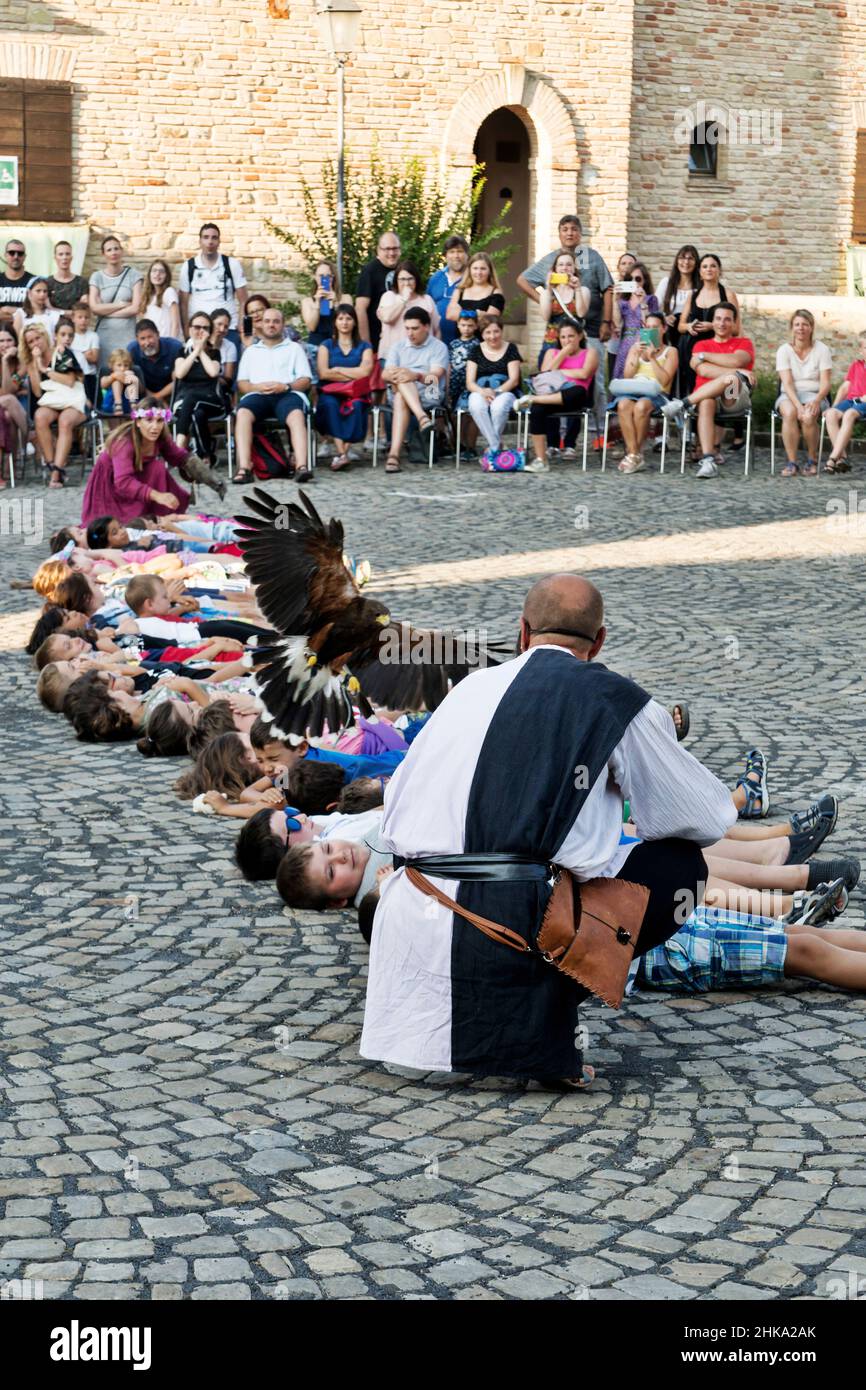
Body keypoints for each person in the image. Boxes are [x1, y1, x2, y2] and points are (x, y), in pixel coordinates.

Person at [359, 574, 737, 1086]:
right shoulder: (615, 700)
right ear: (599, 642)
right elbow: (702, 818)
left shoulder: (468, 690)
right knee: (679, 865)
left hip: (411, 911)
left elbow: (397, 805)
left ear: (522, 631)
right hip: (516, 922)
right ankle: (539, 1014)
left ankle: (469, 1023)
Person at [517, 215, 614, 433]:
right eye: (565, 229)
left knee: (595, 382)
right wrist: (546, 299)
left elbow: (608, 288)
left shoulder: (592, 257)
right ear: (559, 233)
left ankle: (597, 429)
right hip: (555, 335)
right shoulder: (551, 260)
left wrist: (607, 321)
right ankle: (558, 433)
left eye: (574, 229)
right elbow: (523, 280)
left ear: (580, 233)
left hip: (589, 329)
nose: (570, 233)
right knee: (553, 379)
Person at [663, 303, 755, 478]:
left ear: (734, 323)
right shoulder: (701, 345)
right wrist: (738, 371)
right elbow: (703, 371)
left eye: (727, 319)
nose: (722, 323)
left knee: (732, 379)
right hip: (705, 397)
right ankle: (708, 461)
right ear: (712, 321)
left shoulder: (744, 343)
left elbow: (737, 360)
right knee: (707, 401)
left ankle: (683, 403)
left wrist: (705, 357)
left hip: (733, 397)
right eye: (718, 319)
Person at [232, 307, 311, 485]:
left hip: (287, 393)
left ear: (283, 325)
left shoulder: (294, 348)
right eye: (267, 321)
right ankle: (245, 468)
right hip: (258, 394)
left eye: (276, 321)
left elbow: (305, 380)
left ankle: (301, 466)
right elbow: (242, 383)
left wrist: (286, 386)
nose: (271, 325)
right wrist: (256, 387)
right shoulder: (251, 351)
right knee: (242, 413)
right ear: (260, 324)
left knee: (296, 415)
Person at [81, 397, 190, 525]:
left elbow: (177, 455)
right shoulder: (124, 442)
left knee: (157, 467)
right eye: (149, 420)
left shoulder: (160, 436)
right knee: (116, 529)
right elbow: (123, 482)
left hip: (136, 477)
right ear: (138, 422)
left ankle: (157, 518)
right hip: (111, 487)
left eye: (159, 420)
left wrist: (200, 470)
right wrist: (157, 495)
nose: (155, 426)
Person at [517, 320, 599, 472]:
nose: (567, 340)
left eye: (571, 336)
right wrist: (563, 353)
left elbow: (584, 374)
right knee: (537, 409)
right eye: (563, 337)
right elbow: (545, 373)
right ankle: (541, 460)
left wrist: (560, 371)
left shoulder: (590, 353)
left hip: (575, 399)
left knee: (578, 390)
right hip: (551, 396)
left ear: (580, 336)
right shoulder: (552, 353)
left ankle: (532, 399)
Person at [381, 306, 449, 474]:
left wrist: (415, 375)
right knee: (402, 388)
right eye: (407, 328)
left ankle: (394, 455)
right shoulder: (398, 346)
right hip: (402, 391)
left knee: (402, 390)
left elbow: (435, 377)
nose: (410, 333)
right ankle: (422, 418)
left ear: (426, 327)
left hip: (430, 391)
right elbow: (384, 374)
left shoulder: (439, 347)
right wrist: (402, 375)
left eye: (415, 328)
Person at [609, 312, 677, 473]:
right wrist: (636, 354)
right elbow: (627, 376)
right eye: (648, 327)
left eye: (655, 327)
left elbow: (665, 381)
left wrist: (652, 358)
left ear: (664, 329)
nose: (650, 331)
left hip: (656, 393)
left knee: (641, 406)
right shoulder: (635, 348)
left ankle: (633, 454)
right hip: (634, 389)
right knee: (623, 405)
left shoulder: (671, 351)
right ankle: (635, 455)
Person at [25, 318, 87, 489]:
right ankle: (52, 464)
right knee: (40, 416)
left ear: (45, 336)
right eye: (30, 342)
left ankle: (56, 474)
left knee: (65, 421)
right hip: (54, 401)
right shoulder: (32, 362)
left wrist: (45, 370)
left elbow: (70, 381)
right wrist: (36, 365)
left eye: (37, 338)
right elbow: (38, 393)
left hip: (73, 399)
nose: (35, 343)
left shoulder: (61, 352)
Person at [314, 304, 375, 471]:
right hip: (330, 391)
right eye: (340, 318)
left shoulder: (365, 346)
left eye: (348, 318)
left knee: (357, 405)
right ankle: (343, 454)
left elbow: (365, 372)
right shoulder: (326, 345)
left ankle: (341, 455)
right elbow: (323, 373)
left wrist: (338, 369)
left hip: (356, 392)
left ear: (355, 322)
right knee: (330, 405)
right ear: (335, 322)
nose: (344, 322)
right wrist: (353, 373)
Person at [677, 253, 741, 405]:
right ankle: (690, 418)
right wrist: (689, 326)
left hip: (718, 350)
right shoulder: (693, 296)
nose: (709, 269)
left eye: (713, 266)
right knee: (692, 387)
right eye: (705, 266)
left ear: (719, 270)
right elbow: (680, 326)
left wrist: (712, 326)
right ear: (700, 272)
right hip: (691, 349)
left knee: (715, 390)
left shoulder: (728, 295)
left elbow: (736, 329)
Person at [774, 310, 832, 477]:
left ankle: (812, 460)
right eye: (797, 324)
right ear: (792, 328)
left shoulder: (822, 349)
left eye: (805, 324)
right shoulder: (783, 351)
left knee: (808, 416)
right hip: (789, 395)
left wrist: (817, 401)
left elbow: (826, 383)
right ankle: (792, 462)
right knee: (790, 412)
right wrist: (798, 405)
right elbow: (787, 383)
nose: (801, 328)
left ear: (811, 327)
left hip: (815, 394)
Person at [177, 222, 248, 344]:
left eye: (214, 238)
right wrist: (186, 331)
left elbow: (244, 300)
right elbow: (183, 303)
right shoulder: (189, 266)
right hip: (199, 327)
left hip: (227, 329)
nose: (210, 241)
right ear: (200, 241)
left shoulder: (231, 264)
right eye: (206, 237)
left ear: (219, 241)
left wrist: (241, 326)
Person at [465, 314, 522, 456]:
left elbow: (514, 379)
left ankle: (493, 448)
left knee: (498, 407)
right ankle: (496, 445)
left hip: (506, 391)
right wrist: (483, 392)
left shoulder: (511, 348)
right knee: (476, 405)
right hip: (480, 390)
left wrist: (496, 392)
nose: (492, 336)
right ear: (482, 334)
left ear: (501, 331)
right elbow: (470, 382)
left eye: (496, 331)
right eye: (488, 332)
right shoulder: (475, 350)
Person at [172, 310, 225, 460]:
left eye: (205, 328)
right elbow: (180, 373)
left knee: (192, 397)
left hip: (211, 401)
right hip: (185, 404)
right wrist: (195, 351)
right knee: (197, 414)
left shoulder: (214, 353)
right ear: (190, 330)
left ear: (210, 332)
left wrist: (201, 350)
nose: (201, 331)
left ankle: (178, 446)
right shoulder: (182, 352)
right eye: (197, 327)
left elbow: (213, 372)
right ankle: (206, 456)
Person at [89, 235, 144, 369]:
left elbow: (135, 308)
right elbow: (94, 307)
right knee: (105, 374)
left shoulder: (133, 275)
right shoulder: (97, 277)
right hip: (104, 337)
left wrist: (105, 310)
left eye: (116, 248)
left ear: (121, 251)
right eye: (109, 250)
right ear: (103, 254)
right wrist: (121, 305)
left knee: (128, 373)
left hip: (127, 335)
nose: (113, 252)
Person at [376, 260, 440, 358]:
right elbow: (387, 318)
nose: (406, 283)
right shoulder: (388, 296)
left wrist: (437, 353)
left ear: (416, 280)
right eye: (402, 279)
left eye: (410, 279)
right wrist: (404, 299)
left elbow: (436, 330)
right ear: (396, 281)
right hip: (392, 357)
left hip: (422, 357)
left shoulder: (427, 300)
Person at [823, 331, 866, 474]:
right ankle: (842, 458)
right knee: (831, 414)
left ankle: (833, 458)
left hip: (864, 403)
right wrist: (834, 407)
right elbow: (845, 387)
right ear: (860, 350)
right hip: (851, 401)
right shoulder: (856, 365)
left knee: (849, 414)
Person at [537, 250, 591, 363]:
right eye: (560, 265)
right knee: (549, 373)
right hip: (552, 342)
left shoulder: (583, 290)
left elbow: (581, 313)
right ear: (555, 269)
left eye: (569, 264)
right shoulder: (547, 293)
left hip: (574, 344)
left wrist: (577, 289)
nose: (565, 268)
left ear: (574, 269)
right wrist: (548, 288)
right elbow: (545, 317)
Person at [354, 231, 401, 357]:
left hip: (402, 341)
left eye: (395, 248)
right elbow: (360, 308)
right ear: (378, 250)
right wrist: (366, 345)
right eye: (387, 249)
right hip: (377, 343)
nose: (391, 253)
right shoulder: (370, 271)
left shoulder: (404, 269)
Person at [300, 260, 349, 377]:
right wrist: (317, 304)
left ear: (333, 278)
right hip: (316, 347)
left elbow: (348, 323)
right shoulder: (308, 301)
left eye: (328, 276)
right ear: (315, 277)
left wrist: (336, 303)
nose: (325, 279)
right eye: (321, 276)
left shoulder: (345, 298)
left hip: (339, 347)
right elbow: (312, 327)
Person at [611, 262, 659, 378]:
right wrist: (615, 300)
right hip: (625, 345)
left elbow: (650, 326)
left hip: (643, 344)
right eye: (630, 279)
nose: (634, 282)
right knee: (622, 378)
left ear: (644, 281)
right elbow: (617, 323)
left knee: (640, 377)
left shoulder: (651, 299)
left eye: (637, 279)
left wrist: (643, 302)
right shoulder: (623, 301)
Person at [656, 244, 699, 362]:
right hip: (669, 335)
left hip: (690, 334)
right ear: (676, 261)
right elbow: (654, 307)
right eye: (682, 258)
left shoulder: (700, 286)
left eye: (690, 258)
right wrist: (664, 317)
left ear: (696, 263)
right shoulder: (666, 282)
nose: (686, 262)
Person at [448, 308, 481, 453]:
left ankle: (470, 446)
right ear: (458, 325)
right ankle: (457, 444)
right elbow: (449, 365)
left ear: (476, 326)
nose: (466, 328)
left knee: (469, 415)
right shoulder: (453, 344)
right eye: (463, 325)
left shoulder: (478, 344)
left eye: (470, 325)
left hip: (469, 385)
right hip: (454, 384)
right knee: (454, 416)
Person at [426, 236, 469, 346]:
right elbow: (427, 307)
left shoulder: (472, 279)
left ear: (467, 255)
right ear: (445, 255)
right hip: (437, 342)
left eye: (460, 251)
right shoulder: (436, 278)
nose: (456, 256)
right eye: (452, 252)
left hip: (465, 343)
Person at [127, 319, 183, 402]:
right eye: (142, 339)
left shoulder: (175, 347)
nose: (147, 342)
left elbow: (179, 380)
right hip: (144, 394)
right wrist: (151, 398)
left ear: (158, 335)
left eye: (150, 337)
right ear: (137, 339)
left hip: (171, 393)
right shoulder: (132, 350)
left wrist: (157, 397)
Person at [0, 325, 28, 477]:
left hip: (8, 407)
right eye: (1, 341)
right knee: (10, 399)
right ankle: (28, 435)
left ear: (15, 343)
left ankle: (8, 467)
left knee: (9, 416)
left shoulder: (21, 364)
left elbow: (8, 389)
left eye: (9, 340)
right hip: (10, 402)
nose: (5, 345)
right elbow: (8, 392)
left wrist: (5, 362)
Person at [445, 252, 505, 322]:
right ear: (469, 270)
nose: (478, 272)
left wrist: (461, 313)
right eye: (475, 268)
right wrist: (477, 314)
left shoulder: (495, 293)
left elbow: (490, 321)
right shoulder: (459, 291)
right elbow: (450, 315)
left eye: (483, 269)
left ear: (490, 271)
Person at [605, 251, 638, 382]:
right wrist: (615, 298)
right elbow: (616, 322)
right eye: (623, 263)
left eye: (630, 263)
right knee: (615, 377)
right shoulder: (612, 289)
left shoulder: (641, 288)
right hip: (617, 340)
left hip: (635, 339)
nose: (627, 266)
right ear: (618, 268)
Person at [140, 259, 181, 339]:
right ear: (149, 274)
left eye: (161, 271)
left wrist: (171, 343)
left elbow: (175, 324)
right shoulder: (148, 297)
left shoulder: (169, 292)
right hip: (153, 342)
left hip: (166, 342)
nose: (157, 274)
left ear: (166, 276)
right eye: (154, 271)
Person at [46, 240, 89, 313]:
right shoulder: (48, 282)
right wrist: (69, 312)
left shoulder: (82, 282)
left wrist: (56, 311)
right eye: (60, 254)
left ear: (71, 257)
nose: (64, 257)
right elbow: (46, 309)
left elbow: (82, 310)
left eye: (67, 254)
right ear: (55, 257)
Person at [0, 239, 34, 328]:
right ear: (5, 255)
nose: (16, 256)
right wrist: (22, 314)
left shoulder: (34, 282)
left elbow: (37, 312)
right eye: (12, 253)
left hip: (26, 332)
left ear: (24, 257)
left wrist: (9, 310)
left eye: (20, 253)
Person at [70, 305, 101, 403]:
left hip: (89, 375)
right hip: (75, 376)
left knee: (93, 402)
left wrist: (88, 356)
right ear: (73, 318)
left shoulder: (93, 336)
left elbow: (94, 358)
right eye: (80, 317)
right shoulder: (70, 336)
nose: (83, 320)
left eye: (86, 317)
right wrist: (86, 353)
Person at [99, 348, 143, 416]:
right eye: (119, 365)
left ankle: (133, 403)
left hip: (129, 405)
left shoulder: (131, 374)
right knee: (116, 380)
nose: (122, 368)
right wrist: (113, 376)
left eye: (126, 365)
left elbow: (141, 390)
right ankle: (118, 404)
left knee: (131, 378)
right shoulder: (108, 376)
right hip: (111, 404)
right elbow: (102, 385)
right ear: (111, 365)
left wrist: (133, 379)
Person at [211, 308, 238, 390]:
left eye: (226, 327)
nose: (222, 329)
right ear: (210, 323)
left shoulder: (230, 346)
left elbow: (228, 380)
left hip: (217, 388)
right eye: (219, 324)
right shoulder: (195, 341)